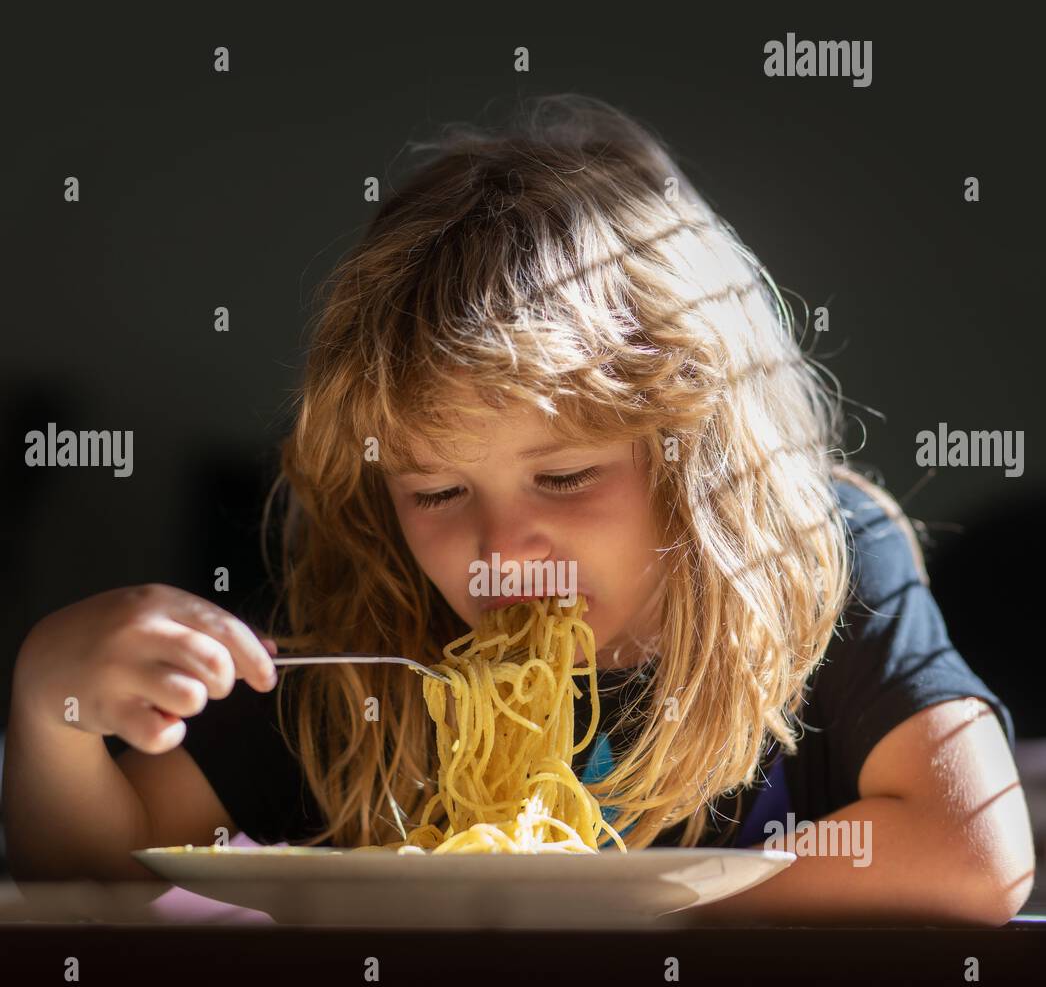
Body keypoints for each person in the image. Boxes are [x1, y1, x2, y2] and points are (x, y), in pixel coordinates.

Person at [4, 94, 1034, 925]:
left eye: (565, 477)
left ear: (700, 457)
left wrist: (596, 914)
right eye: (438, 492)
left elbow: (970, 854)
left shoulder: (812, 568)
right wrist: (51, 707)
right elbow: (104, 874)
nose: (500, 545)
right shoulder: (383, 632)